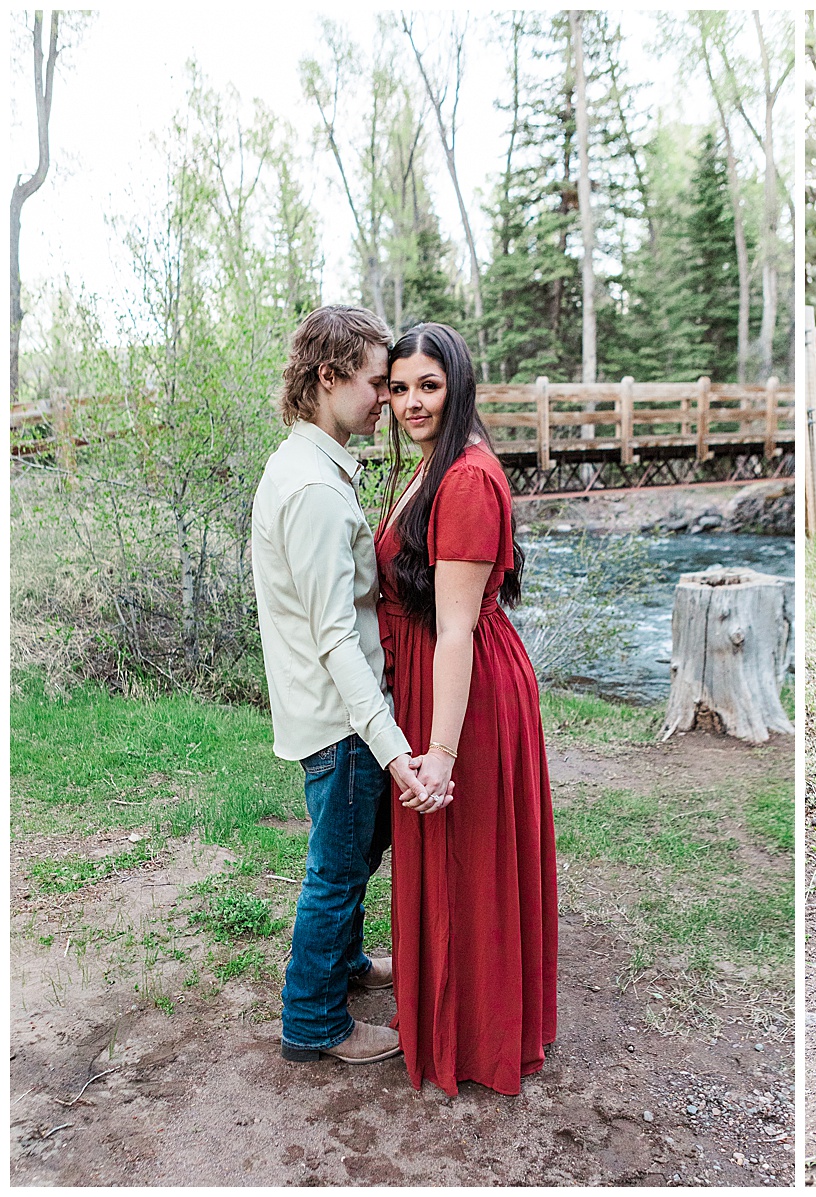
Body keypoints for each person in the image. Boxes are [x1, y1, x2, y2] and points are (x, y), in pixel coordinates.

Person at [251, 305, 446, 1066]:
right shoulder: (314, 493)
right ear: (329, 378)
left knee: (353, 859)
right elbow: (336, 637)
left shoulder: (311, 468)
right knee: (335, 873)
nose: (387, 400)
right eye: (375, 382)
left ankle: (347, 964)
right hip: (341, 722)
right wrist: (394, 748)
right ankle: (313, 1021)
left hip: (337, 714)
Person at [375, 322, 558, 1096]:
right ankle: (448, 1011)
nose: (412, 403)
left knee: (466, 857)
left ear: (458, 386)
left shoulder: (468, 479)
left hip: (467, 690)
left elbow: (455, 624)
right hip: (437, 674)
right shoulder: (431, 464)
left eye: (429, 386)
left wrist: (441, 754)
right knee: (450, 859)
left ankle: (475, 1034)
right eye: (400, 387)